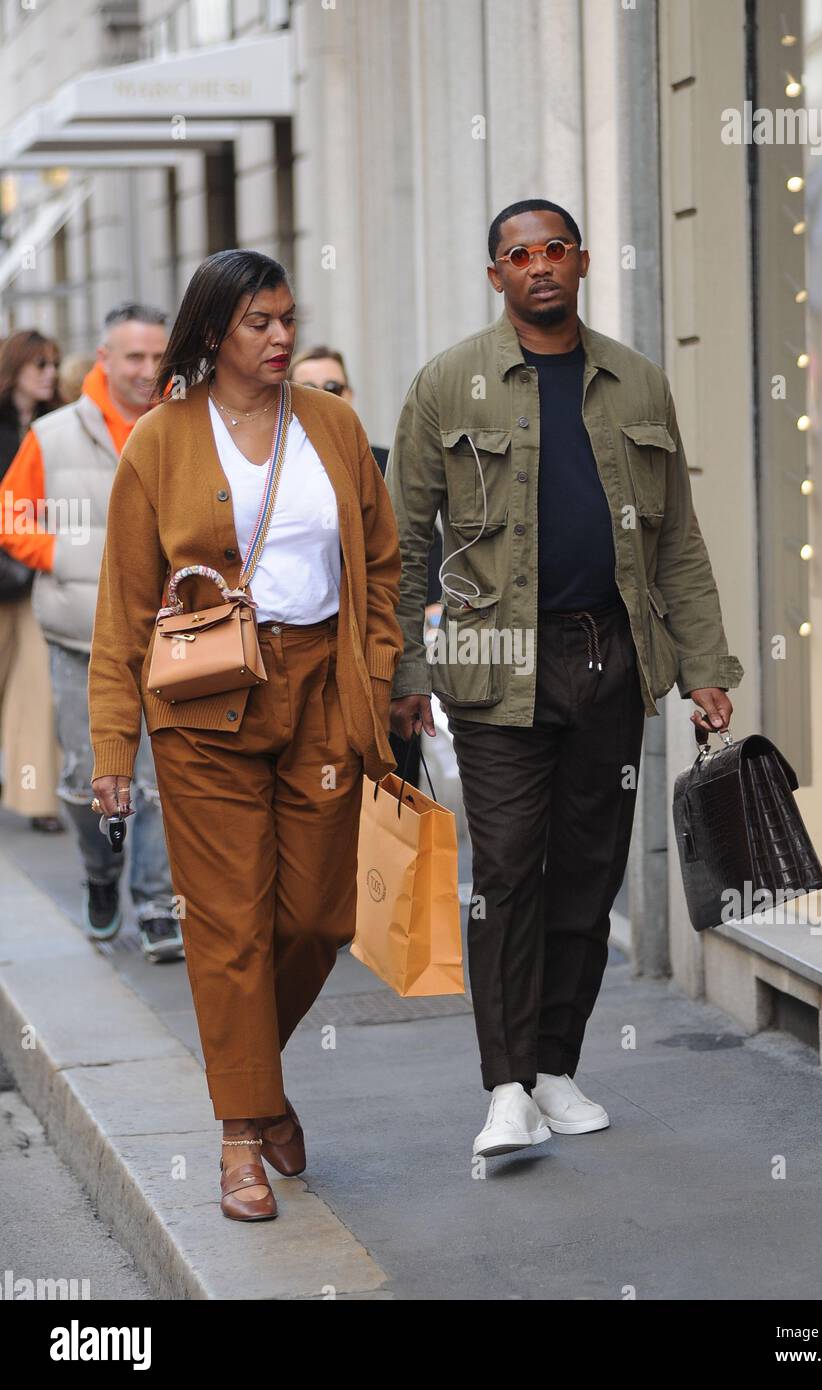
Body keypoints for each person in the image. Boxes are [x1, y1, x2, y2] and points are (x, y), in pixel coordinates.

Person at [387, 198, 744, 1157]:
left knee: (590, 870)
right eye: (518, 253)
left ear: (582, 262)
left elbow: (679, 546)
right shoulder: (446, 384)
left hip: (610, 655)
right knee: (507, 871)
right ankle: (504, 1086)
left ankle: (554, 1066)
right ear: (495, 272)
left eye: (554, 249)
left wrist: (706, 665)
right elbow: (400, 547)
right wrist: (406, 668)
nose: (538, 265)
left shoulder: (637, 384)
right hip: (489, 660)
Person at [87, 249, 403, 1221]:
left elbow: (384, 565)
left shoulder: (336, 428)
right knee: (225, 925)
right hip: (203, 710)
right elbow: (123, 611)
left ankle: (251, 1083)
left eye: (287, 319)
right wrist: (110, 751)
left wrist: (378, 673)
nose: (280, 337)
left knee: (316, 917)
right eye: (260, 322)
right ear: (214, 331)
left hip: (318, 697)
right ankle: (240, 1137)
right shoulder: (160, 441)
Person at [0, 304, 184, 963]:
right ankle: (101, 876)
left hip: (170, 639)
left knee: (160, 778)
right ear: (104, 360)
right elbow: (11, 516)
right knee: (86, 782)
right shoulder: (52, 435)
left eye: (156, 355)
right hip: (79, 640)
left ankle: (158, 903)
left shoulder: (187, 424)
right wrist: (70, 557)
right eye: (132, 356)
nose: (146, 369)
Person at [291, 345, 444, 787]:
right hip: (309, 669)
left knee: (393, 800)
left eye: (333, 387)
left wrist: (430, 615)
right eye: (308, 388)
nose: (323, 395)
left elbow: (422, 548)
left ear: (351, 394)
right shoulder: (276, 473)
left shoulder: (384, 465)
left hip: (382, 665)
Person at [0, 330, 65, 834]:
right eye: (39, 364)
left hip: (40, 574)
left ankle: (37, 797)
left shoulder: (58, 426)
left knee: (36, 690)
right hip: (4, 575)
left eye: (53, 364)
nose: (49, 373)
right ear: (16, 366)